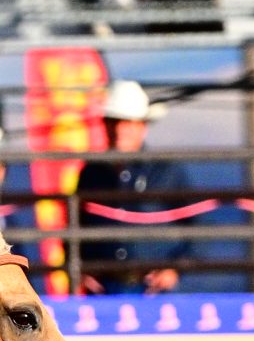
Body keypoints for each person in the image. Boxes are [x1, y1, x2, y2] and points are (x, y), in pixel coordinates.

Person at [76, 79, 184, 293]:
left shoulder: (166, 170)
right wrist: (79, 267)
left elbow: (196, 224)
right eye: (113, 122)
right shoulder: (91, 172)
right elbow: (74, 223)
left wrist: (175, 268)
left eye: (127, 122)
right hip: (103, 288)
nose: (119, 130)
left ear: (142, 126)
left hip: (153, 288)